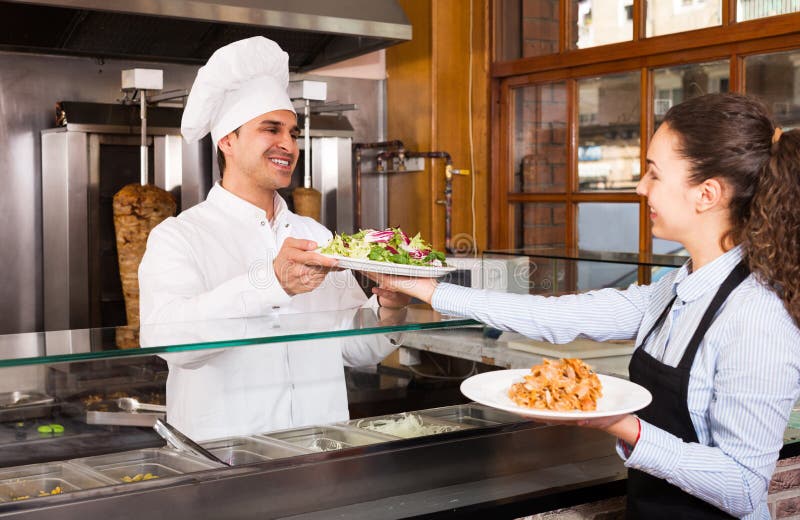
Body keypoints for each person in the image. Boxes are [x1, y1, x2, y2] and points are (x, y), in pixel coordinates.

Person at [370, 93, 800, 519]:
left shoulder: (756, 317)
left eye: (653, 174)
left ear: (706, 193)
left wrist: (622, 425)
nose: (640, 187)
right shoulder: (675, 288)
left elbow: (744, 488)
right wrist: (427, 290)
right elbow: (556, 318)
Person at [138, 36, 407, 441]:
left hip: (320, 456)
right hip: (226, 465)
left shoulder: (313, 235)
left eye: (293, 132)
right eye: (271, 129)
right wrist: (271, 283)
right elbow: (171, 344)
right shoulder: (178, 237)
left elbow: (353, 347)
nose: (289, 144)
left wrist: (389, 308)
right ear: (227, 140)